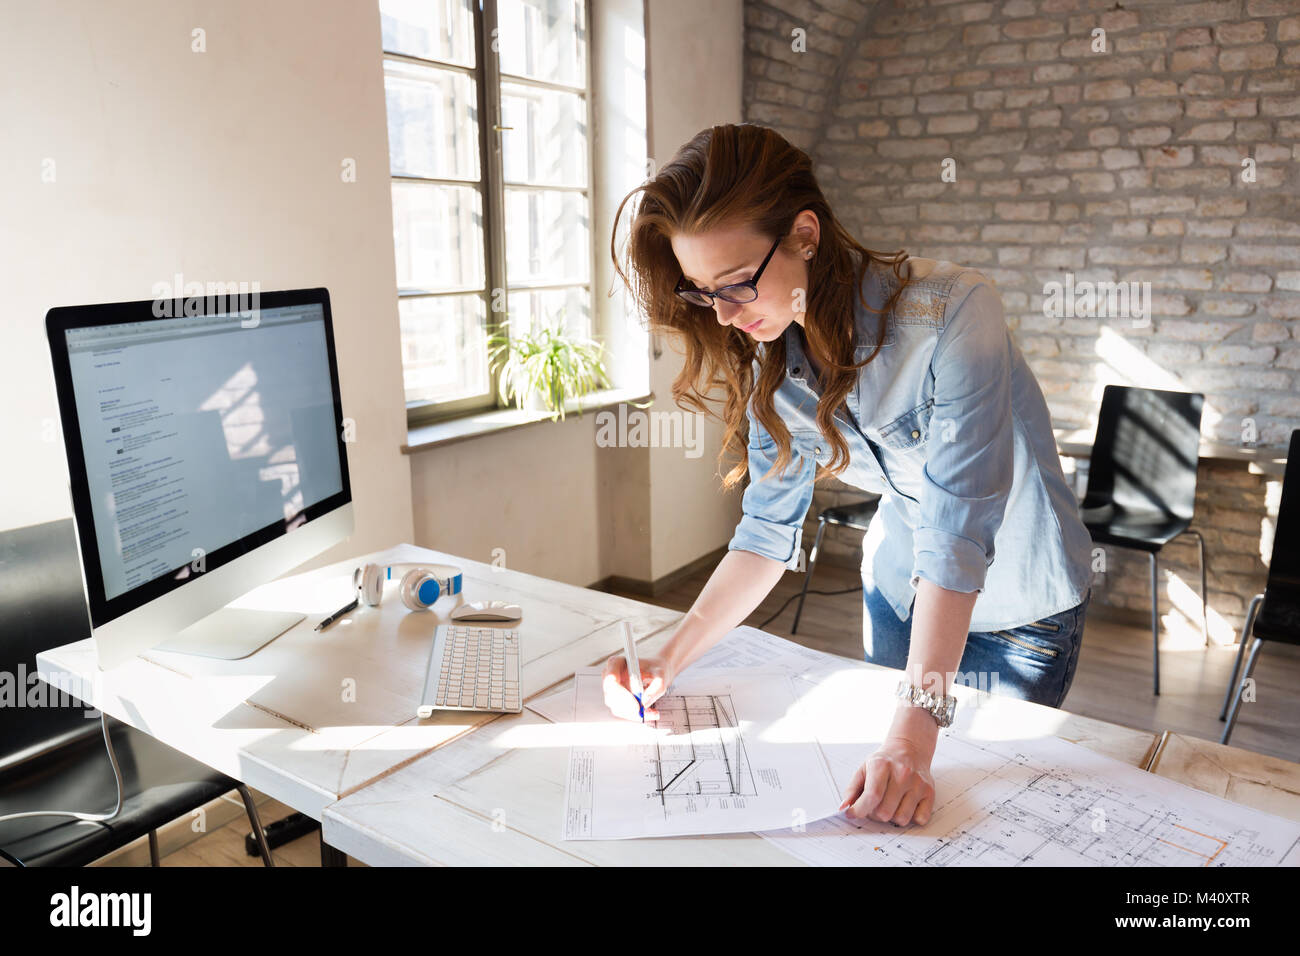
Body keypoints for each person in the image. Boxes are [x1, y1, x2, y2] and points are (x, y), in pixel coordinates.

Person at [602, 123, 1093, 828]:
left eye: (737, 283)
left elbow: (957, 532)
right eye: (704, 292)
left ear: (804, 235)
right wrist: (669, 658)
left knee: (983, 818)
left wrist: (912, 736)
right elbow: (765, 533)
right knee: (886, 819)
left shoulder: (955, 312)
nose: (727, 316)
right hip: (897, 592)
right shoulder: (769, 349)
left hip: (1020, 607)